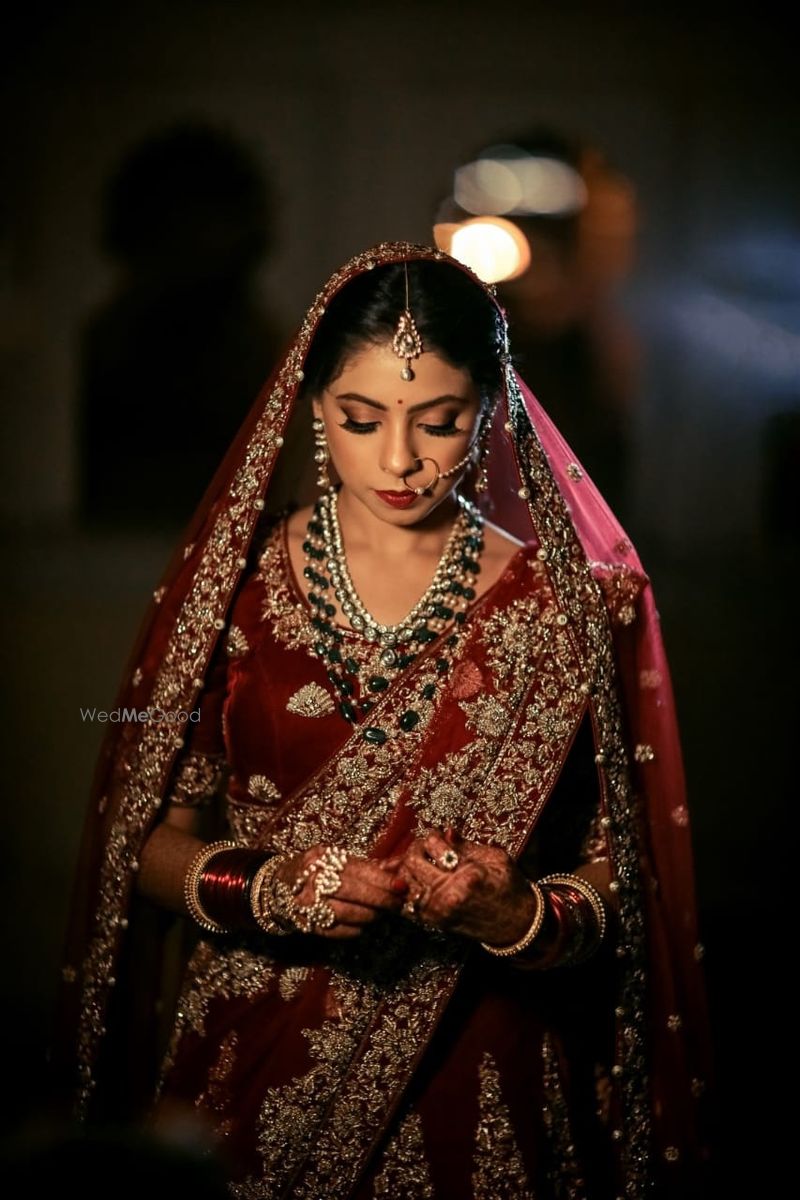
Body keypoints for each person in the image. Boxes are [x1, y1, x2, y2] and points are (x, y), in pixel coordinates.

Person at [56, 242, 711, 1198]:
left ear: (492, 411)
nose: (400, 460)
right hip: (254, 1060)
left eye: (439, 422)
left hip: (484, 1063)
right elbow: (143, 839)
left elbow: (623, 873)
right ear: (314, 408)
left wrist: (521, 912)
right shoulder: (233, 594)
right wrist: (267, 887)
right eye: (361, 420)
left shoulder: (568, 609)